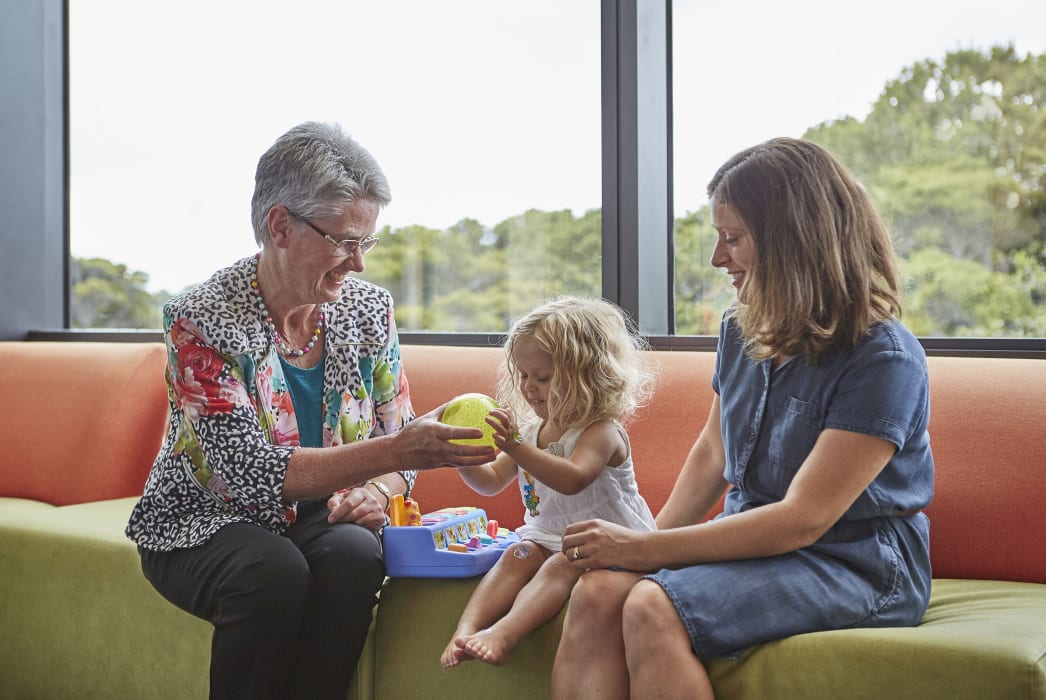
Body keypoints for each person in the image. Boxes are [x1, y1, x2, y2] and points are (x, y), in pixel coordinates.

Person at [551, 137, 935, 700]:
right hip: (753, 541)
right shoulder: (741, 327)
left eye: (733, 239)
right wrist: (642, 542)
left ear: (793, 243)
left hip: (856, 562)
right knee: (597, 592)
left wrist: (643, 552)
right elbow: (713, 452)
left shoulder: (883, 357)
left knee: (652, 606)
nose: (717, 258)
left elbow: (803, 520)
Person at [125, 121, 497, 700]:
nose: (359, 264)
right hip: (202, 521)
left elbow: (397, 435)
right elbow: (251, 473)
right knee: (271, 571)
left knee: (354, 554)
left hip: (319, 518)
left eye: (365, 243)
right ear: (280, 226)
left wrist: (383, 485)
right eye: (345, 242)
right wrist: (398, 452)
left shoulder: (368, 310)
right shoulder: (201, 318)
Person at [440, 296, 657, 669]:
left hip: (608, 541)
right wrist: (459, 458)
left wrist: (516, 446)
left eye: (543, 377)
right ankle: (467, 630)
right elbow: (492, 481)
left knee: (559, 566)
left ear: (590, 375)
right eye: (523, 375)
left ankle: (504, 634)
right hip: (548, 535)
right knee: (515, 555)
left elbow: (573, 479)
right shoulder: (532, 431)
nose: (529, 387)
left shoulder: (601, 431)